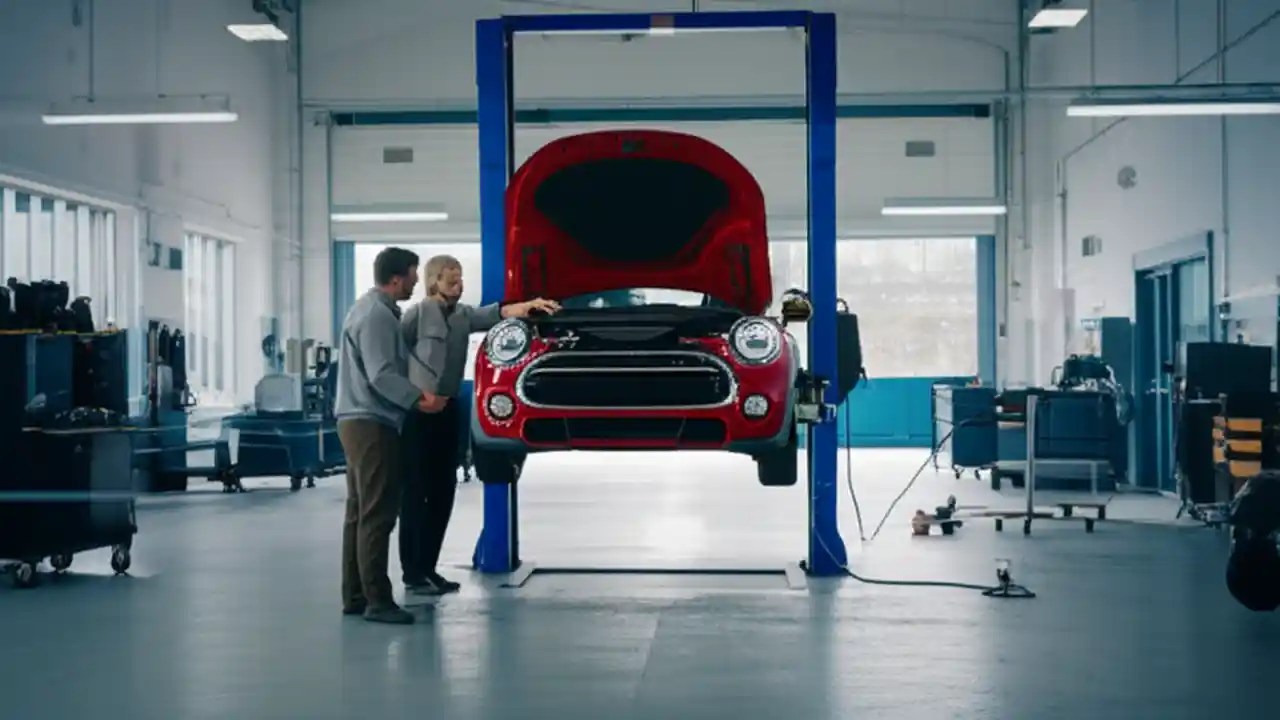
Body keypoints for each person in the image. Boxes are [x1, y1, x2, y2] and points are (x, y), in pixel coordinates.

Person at [399, 254, 560, 595]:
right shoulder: (415, 315)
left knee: (443, 491)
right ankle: (412, 573)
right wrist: (409, 396)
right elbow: (393, 356)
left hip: (448, 409)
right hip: (416, 413)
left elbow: (499, 312)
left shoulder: (462, 316)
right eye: (451, 281)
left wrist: (530, 305)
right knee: (415, 494)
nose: (458, 286)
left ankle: (429, 568)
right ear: (433, 282)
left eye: (460, 280)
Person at [335, 247, 445, 625]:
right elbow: (381, 374)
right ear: (397, 277)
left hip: (355, 418)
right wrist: (420, 399)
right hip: (372, 421)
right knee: (379, 512)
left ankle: (356, 595)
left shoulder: (365, 309)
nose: (417, 281)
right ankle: (378, 601)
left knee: (359, 511)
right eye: (414, 274)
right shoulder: (377, 316)